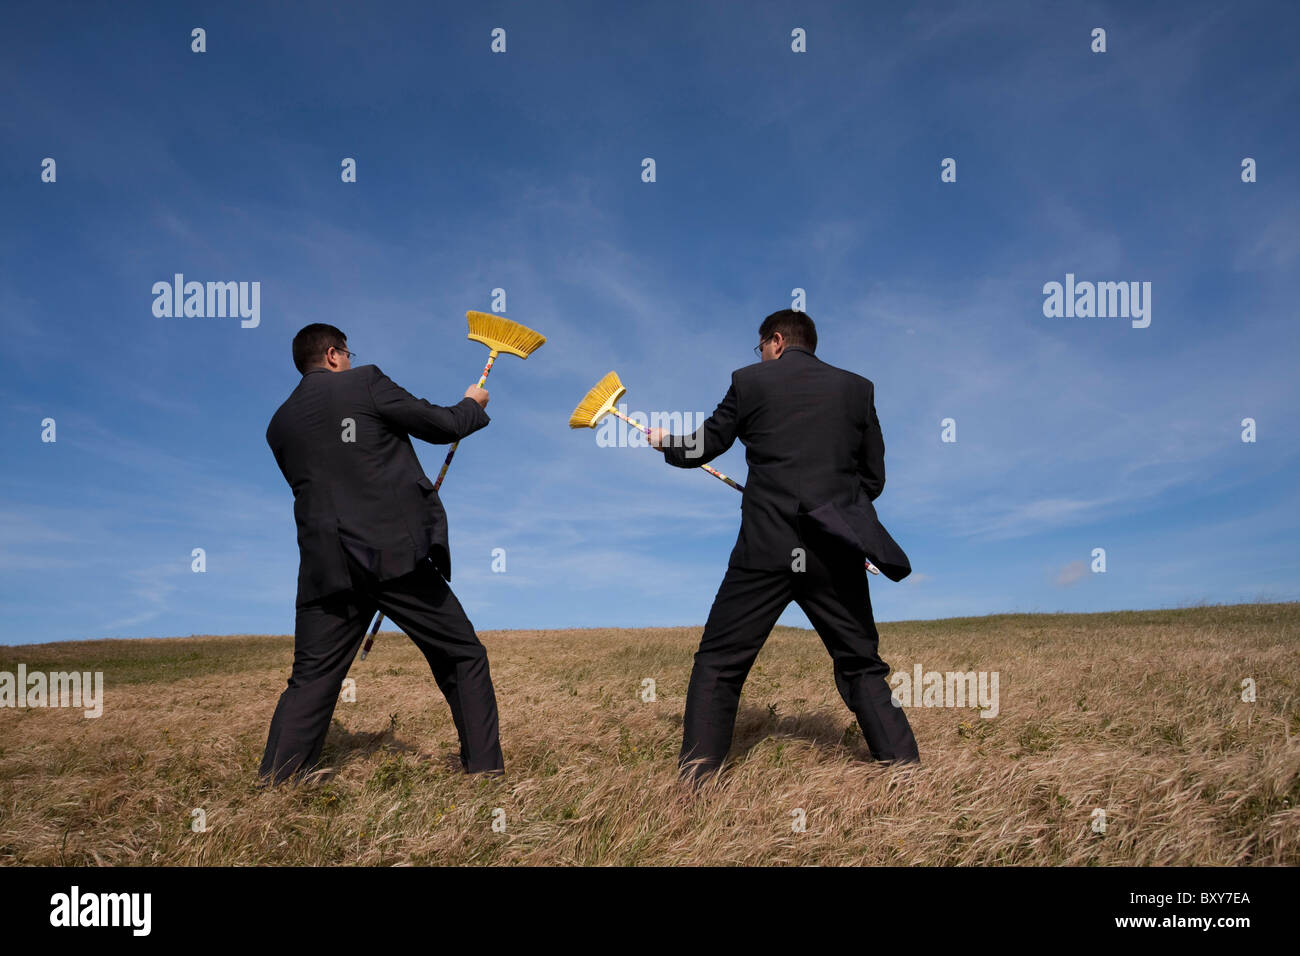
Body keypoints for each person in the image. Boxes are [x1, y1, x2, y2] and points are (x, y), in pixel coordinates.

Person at [647, 309, 919, 785]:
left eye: (762, 347)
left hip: (765, 547)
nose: (762, 355)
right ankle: (904, 772)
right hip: (835, 546)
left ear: (775, 341)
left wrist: (667, 443)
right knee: (860, 664)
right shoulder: (858, 389)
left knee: (720, 661)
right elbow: (873, 477)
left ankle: (695, 785)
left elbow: (702, 448)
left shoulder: (750, 382)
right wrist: (832, 504)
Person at [259, 323, 504, 785]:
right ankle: (484, 770)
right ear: (333, 355)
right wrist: (473, 404)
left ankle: (279, 780)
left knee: (311, 677)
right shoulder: (365, 381)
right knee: (462, 655)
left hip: (324, 568)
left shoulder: (279, 424)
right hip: (392, 553)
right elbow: (442, 425)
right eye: (347, 353)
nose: (350, 359)